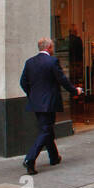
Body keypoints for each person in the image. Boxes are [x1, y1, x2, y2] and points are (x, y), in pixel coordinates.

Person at [19, 37, 80, 174]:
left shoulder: (30, 62)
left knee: (47, 128)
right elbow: (62, 80)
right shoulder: (52, 61)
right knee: (46, 130)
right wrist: (75, 90)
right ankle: (30, 159)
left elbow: (23, 82)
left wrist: (33, 95)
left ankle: (54, 157)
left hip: (36, 103)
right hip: (49, 102)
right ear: (49, 48)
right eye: (52, 46)